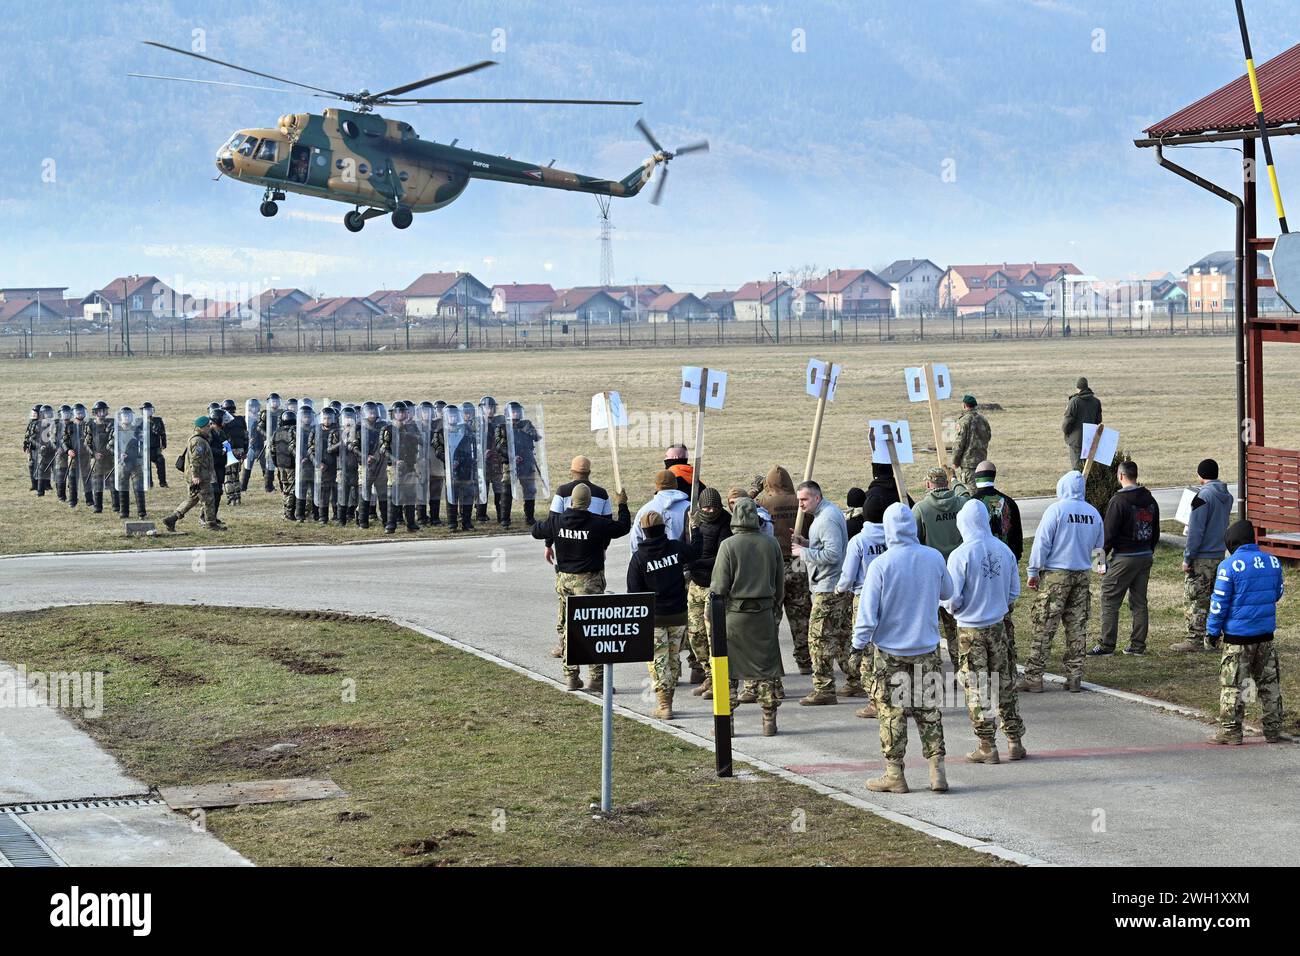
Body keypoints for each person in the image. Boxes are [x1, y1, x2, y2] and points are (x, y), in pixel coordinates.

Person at [853, 503, 953, 794]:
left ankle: (895, 773)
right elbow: (948, 593)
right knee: (928, 709)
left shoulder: (881, 565)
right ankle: (937, 771)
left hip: (890, 651)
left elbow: (867, 615)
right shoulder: (932, 557)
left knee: (892, 711)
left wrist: (857, 646)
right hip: (926, 646)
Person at [944, 499, 1026, 763]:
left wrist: (953, 609)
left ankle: (987, 745)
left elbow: (951, 597)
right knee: (1005, 682)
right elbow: (1014, 591)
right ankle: (1015, 741)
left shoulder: (960, 555)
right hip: (999, 626)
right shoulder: (1004, 550)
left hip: (970, 629)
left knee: (977, 686)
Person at [531, 482, 631, 693]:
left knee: (569, 628)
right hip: (590, 582)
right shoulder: (596, 523)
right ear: (588, 502)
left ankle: (571, 676)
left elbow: (536, 531)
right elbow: (622, 527)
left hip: (565, 580)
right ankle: (596, 678)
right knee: (593, 628)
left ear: (571, 501)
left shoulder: (557, 522)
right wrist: (622, 504)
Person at [1020, 471, 1105, 693]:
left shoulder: (1056, 510)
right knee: (1077, 626)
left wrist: (1033, 571)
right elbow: (1099, 546)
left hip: (1056, 576)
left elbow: (1042, 543)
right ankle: (1075, 677)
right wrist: (1099, 568)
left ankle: (1034, 676)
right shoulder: (1093, 513)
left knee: (1045, 626)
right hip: (1082, 574)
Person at [711, 496, 786, 737]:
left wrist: (711, 614)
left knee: (728, 670)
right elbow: (780, 583)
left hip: (735, 616)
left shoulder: (728, 546)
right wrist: (774, 606)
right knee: (767, 669)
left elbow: (719, 586)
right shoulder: (771, 543)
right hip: (763, 614)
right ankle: (769, 720)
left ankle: (727, 722)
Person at [1206, 520, 1286, 744]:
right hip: (1265, 636)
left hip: (1238, 638)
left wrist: (1212, 632)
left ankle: (1231, 731)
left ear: (1231, 542)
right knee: (1269, 684)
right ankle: (1273, 729)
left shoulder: (1229, 566)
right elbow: (1277, 592)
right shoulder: (1273, 561)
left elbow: (1218, 604)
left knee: (1233, 684)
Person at [793, 480, 859, 705]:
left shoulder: (827, 518)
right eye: (799, 500)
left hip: (828, 588)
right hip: (833, 586)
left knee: (818, 639)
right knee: (841, 638)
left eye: (804, 499)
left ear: (817, 498)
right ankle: (855, 680)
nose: (800, 504)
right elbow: (827, 546)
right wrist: (808, 544)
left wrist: (804, 553)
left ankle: (824, 688)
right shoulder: (826, 515)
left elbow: (833, 555)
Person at [627, 510, 692, 719]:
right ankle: (668, 702)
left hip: (654, 618)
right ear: (663, 528)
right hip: (678, 615)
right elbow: (695, 551)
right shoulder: (675, 548)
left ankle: (664, 705)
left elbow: (634, 592)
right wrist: (696, 529)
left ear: (644, 532)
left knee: (658, 661)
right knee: (673, 658)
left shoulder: (639, 558)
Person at [1091, 460, 1159, 656]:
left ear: (1120, 476)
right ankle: (1137, 645)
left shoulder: (1118, 501)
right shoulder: (1150, 499)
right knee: (1139, 601)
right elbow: (1155, 531)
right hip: (1145, 555)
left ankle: (1106, 644)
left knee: (1109, 597)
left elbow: (1107, 536)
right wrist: (1148, 550)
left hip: (1124, 556)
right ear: (1135, 475)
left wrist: (1099, 563)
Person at [1172, 458, 1235, 652]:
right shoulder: (1227, 496)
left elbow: (1196, 531)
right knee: (1216, 598)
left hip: (1201, 556)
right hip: (1218, 554)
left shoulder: (1202, 497)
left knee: (1196, 598)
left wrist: (1187, 557)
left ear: (1200, 475)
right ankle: (1213, 638)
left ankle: (1195, 639)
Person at [912, 466, 970, 669]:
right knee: (955, 626)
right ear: (946, 483)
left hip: (931, 574)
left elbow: (914, 540)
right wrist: (956, 480)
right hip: (957, 572)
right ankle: (961, 667)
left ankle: (933, 668)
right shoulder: (961, 503)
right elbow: (965, 494)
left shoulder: (921, 509)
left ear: (928, 484)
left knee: (930, 626)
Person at [757, 465, 812, 675]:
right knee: (801, 616)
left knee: (772, 617)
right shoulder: (799, 502)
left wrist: (755, 491)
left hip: (775, 564)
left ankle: (771, 663)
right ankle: (805, 660)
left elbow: (740, 509)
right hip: (798, 562)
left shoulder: (763, 503)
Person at [838, 497, 888, 720]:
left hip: (863, 597)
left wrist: (840, 589)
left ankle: (874, 701)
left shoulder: (858, 541)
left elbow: (848, 576)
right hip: (889, 598)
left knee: (866, 652)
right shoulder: (893, 537)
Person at [686, 488, 730, 693]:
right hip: (695, 585)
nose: (710, 510)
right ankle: (708, 674)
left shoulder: (725, 523)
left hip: (715, 586)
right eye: (706, 506)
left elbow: (722, 557)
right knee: (695, 634)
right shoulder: (694, 522)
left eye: (714, 506)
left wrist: (695, 562)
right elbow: (686, 546)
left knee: (714, 636)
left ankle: (720, 679)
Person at [162, 417, 226, 532]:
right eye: (207, 427)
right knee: (209, 499)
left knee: (192, 499)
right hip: (200, 476)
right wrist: (196, 475)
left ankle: (172, 519)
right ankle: (211, 524)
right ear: (200, 428)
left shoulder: (199, 439)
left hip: (198, 475)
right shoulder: (198, 441)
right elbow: (196, 460)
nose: (209, 428)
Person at [632, 470, 689, 549]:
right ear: (676, 484)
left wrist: (636, 560)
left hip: (652, 559)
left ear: (656, 486)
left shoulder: (645, 510)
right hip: (685, 558)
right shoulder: (689, 507)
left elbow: (636, 541)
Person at [951, 395, 992, 488]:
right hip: (982, 460)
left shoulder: (964, 421)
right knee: (982, 488)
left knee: (971, 491)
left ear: (964, 405)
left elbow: (959, 443)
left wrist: (955, 461)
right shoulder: (983, 419)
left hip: (968, 463)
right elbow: (988, 436)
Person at [1062, 376, 1102, 470]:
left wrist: (1067, 434)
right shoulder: (1096, 402)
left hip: (1076, 442)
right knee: (1088, 468)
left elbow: (1066, 423)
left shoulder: (1074, 402)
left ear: (1077, 388)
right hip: (1090, 439)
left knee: (1077, 469)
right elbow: (1098, 421)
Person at [85, 401, 114, 514]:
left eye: (104, 411)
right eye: (99, 411)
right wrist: (94, 454)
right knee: (97, 483)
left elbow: (114, 439)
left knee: (112, 482)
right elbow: (87, 443)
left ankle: (116, 506)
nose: (102, 413)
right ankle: (98, 507)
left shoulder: (111, 424)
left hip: (109, 458)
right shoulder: (90, 425)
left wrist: (110, 451)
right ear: (95, 413)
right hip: (97, 459)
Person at [271, 408, 297, 521]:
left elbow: (272, 450)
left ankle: (286, 511)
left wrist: (276, 463)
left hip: (281, 464)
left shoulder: (277, 432)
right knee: (292, 489)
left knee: (285, 489)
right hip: (291, 465)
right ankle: (289, 513)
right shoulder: (295, 432)